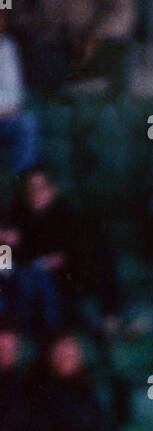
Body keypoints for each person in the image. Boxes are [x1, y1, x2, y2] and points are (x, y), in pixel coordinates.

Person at [0, 165, 123, 333]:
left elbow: (81, 257)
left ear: (52, 189)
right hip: (21, 282)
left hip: (65, 284)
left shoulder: (71, 218)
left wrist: (62, 260)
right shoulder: (12, 217)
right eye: (30, 189)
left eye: (41, 187)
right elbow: (5, 267)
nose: (35, 194)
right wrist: (5, 245)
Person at [0, 16, 39, 176]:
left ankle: (22, 185)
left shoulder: (6, 47)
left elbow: (14, 97)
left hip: (4, 117)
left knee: (26, 123)